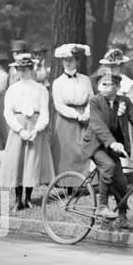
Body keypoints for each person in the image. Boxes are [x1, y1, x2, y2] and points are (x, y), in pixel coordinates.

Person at [84, 71, 133, 220]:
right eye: (102, 84)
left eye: (109, 84)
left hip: (114, 146)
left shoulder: (124, 101)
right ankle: (101, 207)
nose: (104, 87)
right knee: (108, 166)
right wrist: (112, 143)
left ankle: (122, 216)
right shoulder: (95, 101)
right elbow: (98, 126)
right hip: (97, 144)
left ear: (118, 87)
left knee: (121, 180)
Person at [0, 55, 53, 211]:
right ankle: (17, 199)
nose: (23, 72)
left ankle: (28, 198)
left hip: (35, 127)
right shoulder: (13, 89)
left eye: (26, 68)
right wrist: (20, 130)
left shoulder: (41, 89)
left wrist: (37, 129)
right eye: (20, 69)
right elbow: (8, 112)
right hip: (18, 127)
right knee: (18, 162)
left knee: (31, 162)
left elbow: (45, 113)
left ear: (31, 69)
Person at [50, 44, 93, 175]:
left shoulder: (85, 80)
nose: (68, 63)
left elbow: (92, 99)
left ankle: (84, 181)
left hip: (84, 119)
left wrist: (86, 113)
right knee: (67, 150)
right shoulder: (58, 82)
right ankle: (66, 182)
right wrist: (76, 115)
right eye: (65, 60)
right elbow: (59, 105)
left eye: (71, 60)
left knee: (84, 148)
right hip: (66, 120)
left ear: (77, 61)